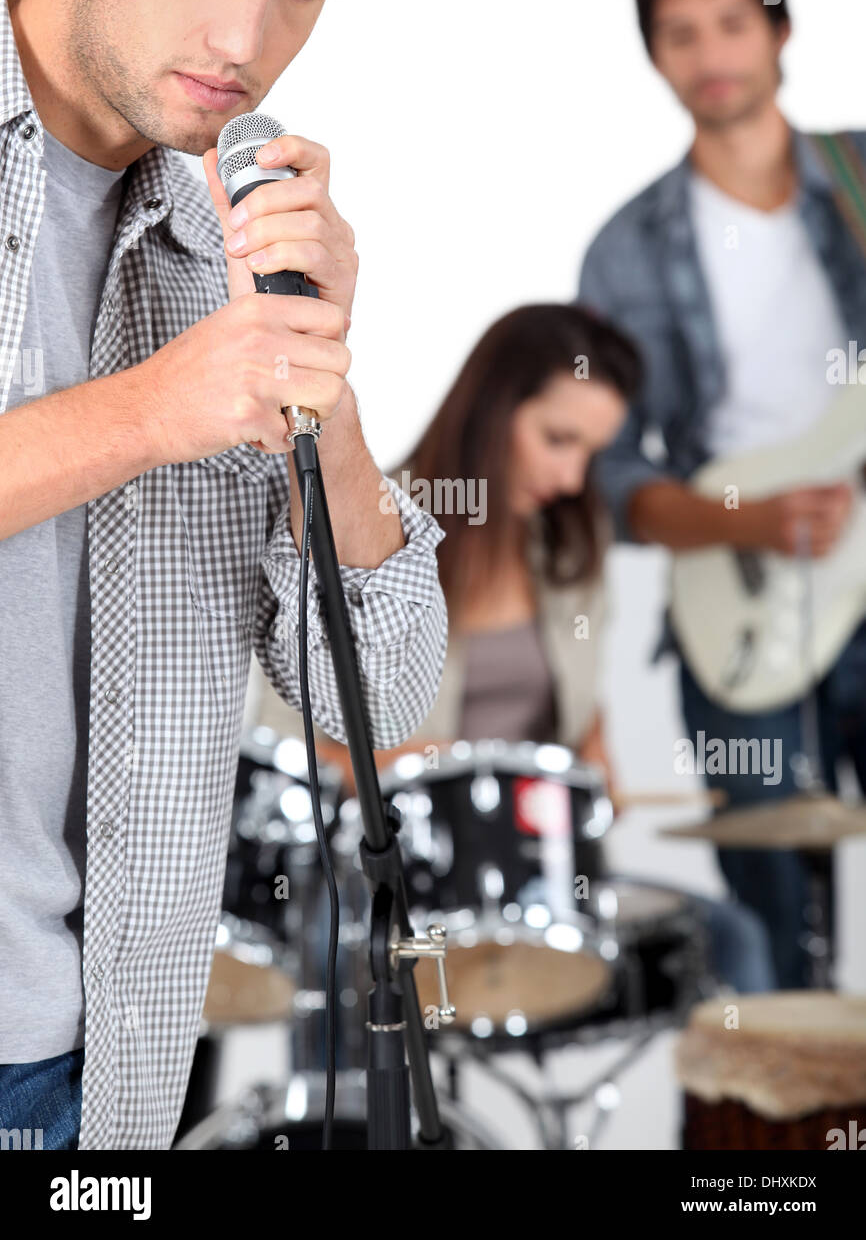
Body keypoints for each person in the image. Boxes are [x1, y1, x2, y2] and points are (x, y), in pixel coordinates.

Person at [0, 0, 448, 1151]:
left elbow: (373, 682)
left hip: (97, 1067)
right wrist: (154, 408)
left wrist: (323, 385)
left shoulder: (226, 253)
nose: (246, 38)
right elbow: (162, 413)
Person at [257, 301, 776, 993]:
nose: (571, 477)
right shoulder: (366, 529)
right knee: (340, 955)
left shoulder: (570, 548)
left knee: (731, 942)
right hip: (396, 879)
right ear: (492, 412)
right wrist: (395, 766)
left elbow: (578, 701)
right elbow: (286, 744)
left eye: (590, 453)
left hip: (536, 882)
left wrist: (596, 755)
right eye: (559, 439)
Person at [577, 0, 866, 990]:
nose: (707, 55)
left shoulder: (855, 178)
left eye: (729, 24)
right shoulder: (623, 248)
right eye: (677, 33)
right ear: (651, 51)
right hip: (734, 605)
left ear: (778, 29)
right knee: (774, 951)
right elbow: (603, 477)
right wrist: (745, 520)